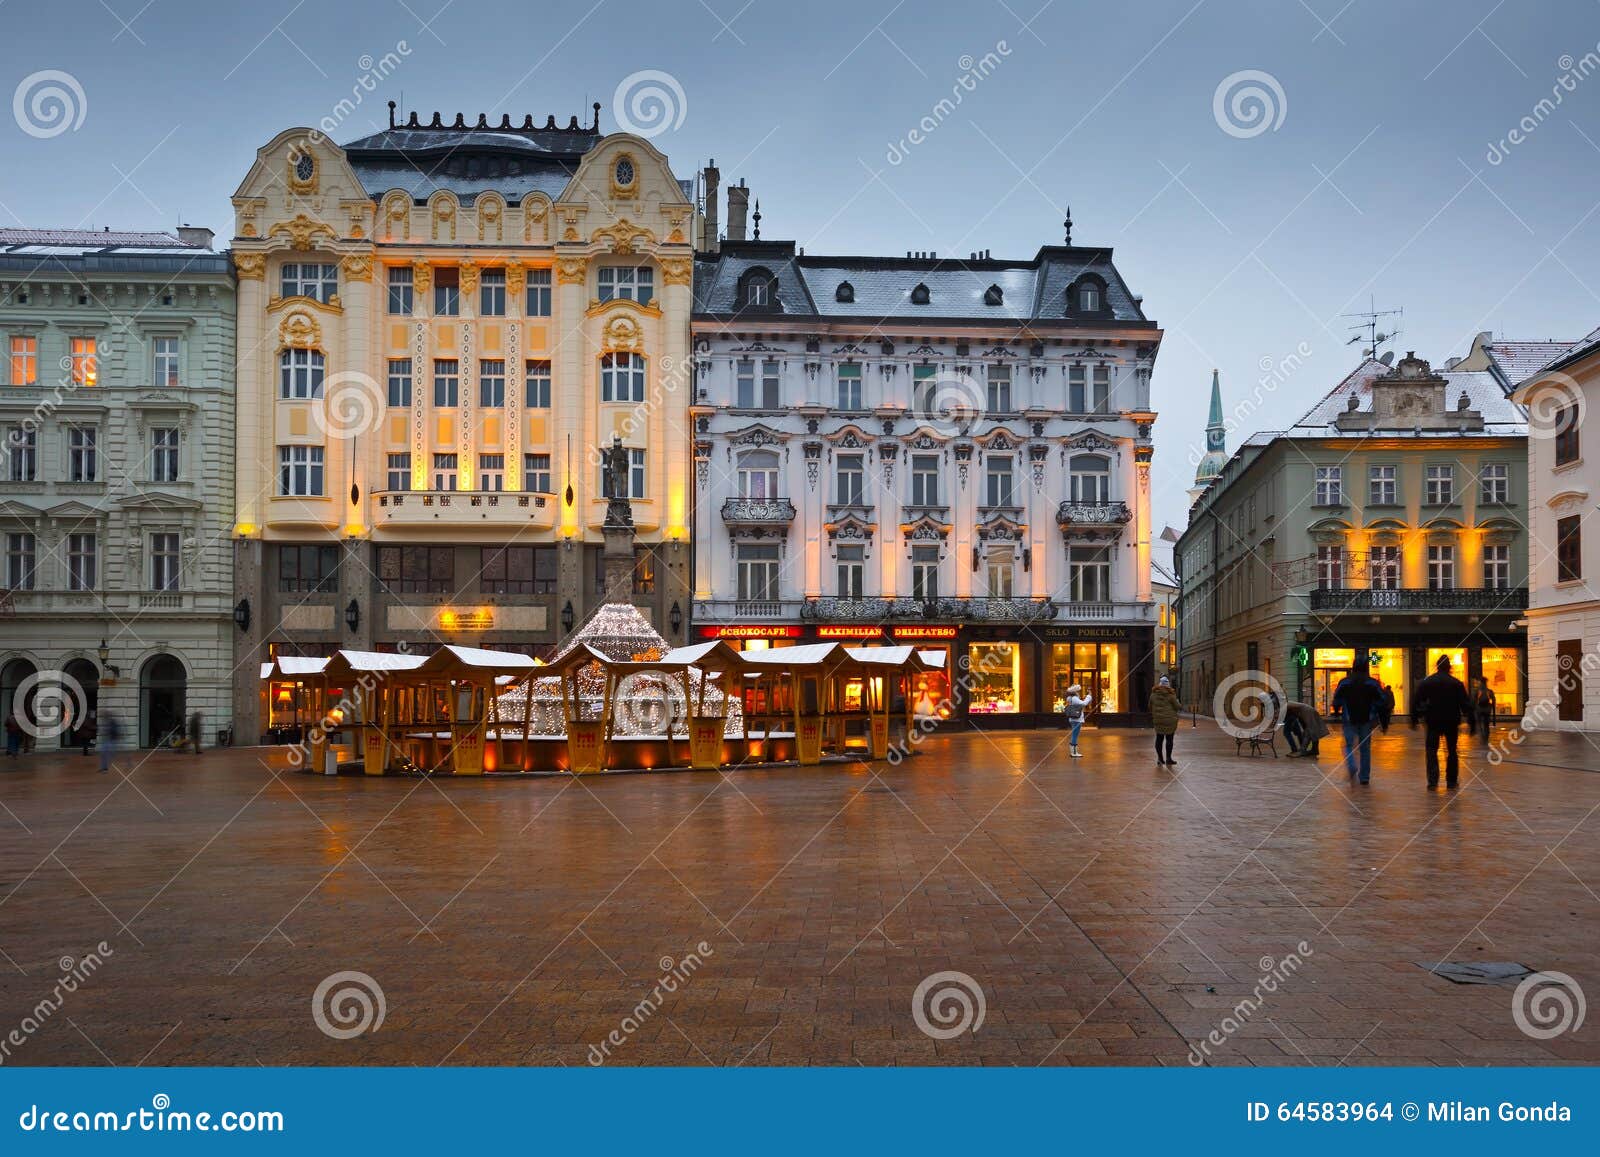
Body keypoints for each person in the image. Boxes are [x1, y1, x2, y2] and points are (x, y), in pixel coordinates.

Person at [1413, 656, 1475, 789]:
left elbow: (1416, 701)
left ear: (1437, 666)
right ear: (1449, 667)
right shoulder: (1456, 683)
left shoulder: (1428, 682)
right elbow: (1465, 704)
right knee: (1452, 750)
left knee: (1431, 750)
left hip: (1433, 720)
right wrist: (1472, 721)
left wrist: (1415, 718)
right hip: (1451, 721)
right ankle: (1451, 780)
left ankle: (1433, 780)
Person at [1330, 661, 1383, 784]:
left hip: (1349, 719)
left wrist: (1337, 713)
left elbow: (1337, 699)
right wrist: (1377, 716)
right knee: (1365, 748)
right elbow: (1381, 700)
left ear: (1353, 668)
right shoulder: (1372, 683)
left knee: (1348, 745)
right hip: (1366, 720)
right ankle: (1364, 777)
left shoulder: (1345, 682)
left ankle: (1352, 765)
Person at [1149, 675, 1180, 765]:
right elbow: (1177, 707)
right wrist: (1177, 701)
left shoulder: (1153, 695)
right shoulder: (1171, 695)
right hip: (1170, 720)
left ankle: (1160, 759)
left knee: (1159, 738)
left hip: (1158, 720)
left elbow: (1150, 707)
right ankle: (1168, 758)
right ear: (1168, 685)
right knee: (1169, 739)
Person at [1063, 683, 1093, 758]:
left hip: (1072, 718)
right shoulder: (1074, 698)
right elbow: (1084, 703)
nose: (1079, 692)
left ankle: (1073, 751)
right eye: (1078, 691)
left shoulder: (1069, 698)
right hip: (1077, 719)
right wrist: (1089, 696)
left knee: (1074, 734)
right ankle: (1074, 752)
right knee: (1075, 735)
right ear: (1075, 691)